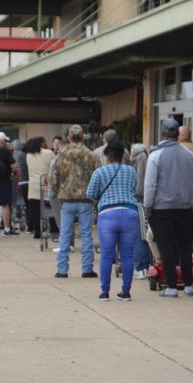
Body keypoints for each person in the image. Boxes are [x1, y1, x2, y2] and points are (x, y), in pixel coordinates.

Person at [144, 118, 193, 297]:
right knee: (185, 247)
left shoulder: (156, 156)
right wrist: (190, 204)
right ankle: (189, 285)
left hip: (162, 209)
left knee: (166, 247)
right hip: (185, 208)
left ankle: (172, 287)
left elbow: (150, 185)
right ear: (177, 134)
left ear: (162, 133)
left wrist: (148, 206)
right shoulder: (190, 156)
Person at [85, 141, 139, 301]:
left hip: (108, 215)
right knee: (128, 255)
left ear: (107, 156)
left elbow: (90, 193)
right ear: (123, 155)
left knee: (107, 255)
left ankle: (104, 292)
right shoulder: (131, 171)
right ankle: (126, 291)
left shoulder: (100, 172)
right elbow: (135, 189)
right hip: (130, 213)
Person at [50, 124, 97, 279]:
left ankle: (62, 269)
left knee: (65, 233)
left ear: (69, 137)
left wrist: (56, 191)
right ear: (82, 137)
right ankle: (87, 269)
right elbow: (97, 175)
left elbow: (54, 176)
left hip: (67, 199)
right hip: (86, 199)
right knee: (86, 234)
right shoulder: (90, 154)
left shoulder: (61, 154)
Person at [25, 137, 56, 240]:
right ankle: (54, 229)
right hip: (46, 183)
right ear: (42, 143)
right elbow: (54, 166)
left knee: (35, 209)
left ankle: (38, 231)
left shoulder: (29, 155)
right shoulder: (49, 153)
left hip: (33, 185)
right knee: (51, 206)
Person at [0, 132, 19, 236]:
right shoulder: (6, 152)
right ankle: (7, 229)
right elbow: (14, 166)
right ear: (2, 141)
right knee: (5, 205)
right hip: (4, 181)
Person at [130, 143, 151, 278]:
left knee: (139, 236)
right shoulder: (150, 165)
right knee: (146, 236)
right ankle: (146, 265)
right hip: (148, 203)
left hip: (137, 203)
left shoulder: (132, 169)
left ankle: (140, 267)